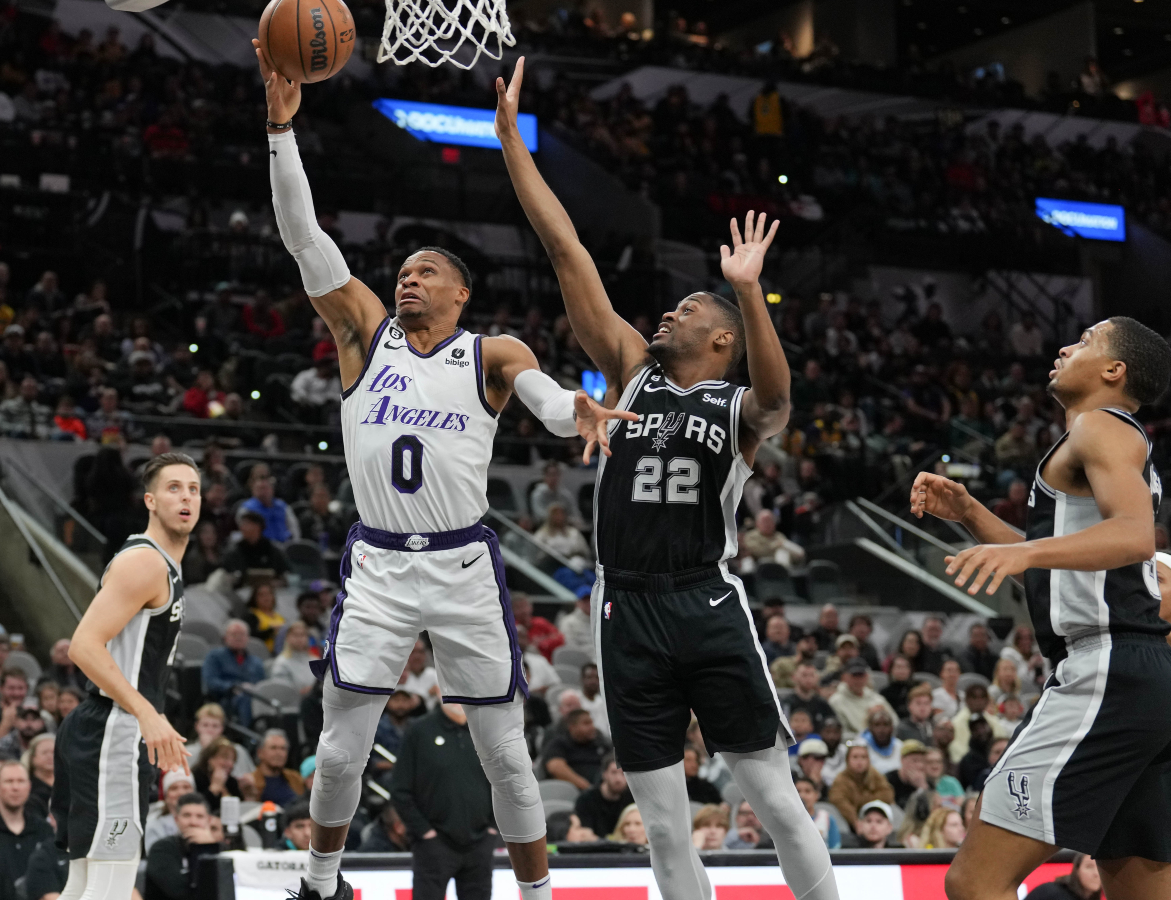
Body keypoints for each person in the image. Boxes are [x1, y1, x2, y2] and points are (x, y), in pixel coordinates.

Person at [257, 45, 640, 900]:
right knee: (340, 744)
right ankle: (321, 886)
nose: (407, 278)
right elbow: (306, 242)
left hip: (463, 562)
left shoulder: (490, 350)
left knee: (505, 751)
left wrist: (572, 409)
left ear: (460, 294)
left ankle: (537, 895)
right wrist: (282, 131)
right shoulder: (364, 332)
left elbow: (538, 392)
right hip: (382, 563)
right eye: (403, 270)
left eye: (425, 272)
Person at [498, 58, 839, 900]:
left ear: (720, 339)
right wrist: (511, 143)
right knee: (661, 822)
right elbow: (566, 249)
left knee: (776, 800)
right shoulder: (629, 369)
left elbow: (779, 395)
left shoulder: (736, 404)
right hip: (624, 605)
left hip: (707, 602)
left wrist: (748, 293)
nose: (668, 314)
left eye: (688, 311)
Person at [916, 318, 1171, 900]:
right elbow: (1079, 557)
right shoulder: (1100, 439)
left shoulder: (1101, 427)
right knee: (1136, 886)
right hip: (1140, 679)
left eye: (1085, 341)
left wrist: (1026, 552)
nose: (1064, 347)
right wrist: (973, 516)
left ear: (1115, 370)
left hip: (1107, 669)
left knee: (974, 882)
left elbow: (1134, 537)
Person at [52, 453, 199, 899]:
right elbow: (83, 645)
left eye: (192, 488)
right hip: (112, 729)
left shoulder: (164, 565)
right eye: (173, 488)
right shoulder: (145, 563)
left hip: (107, 729)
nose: (186, 496)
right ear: (150, 501)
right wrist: (147, 713)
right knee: (111, 888)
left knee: (84, 885)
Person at [390, 703, 498, 900]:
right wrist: (425, 832)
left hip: (480, 844)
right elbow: (400, 790)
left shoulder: (487, 730)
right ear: (440, 689)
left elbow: (505, 785)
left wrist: (492, 828)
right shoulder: (419, 731)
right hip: (434, 846)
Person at [0, 759, 53, 878]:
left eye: (21, 781)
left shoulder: (44, 829)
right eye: (9, 781)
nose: (15, 787)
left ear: (29, 787)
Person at [142, 795, 223, 900]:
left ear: (208, 820)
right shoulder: (162, 849)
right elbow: (181, 893)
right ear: (176, 819)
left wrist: (209, 847)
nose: (193, 822)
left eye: (200, 816)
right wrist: (206, 848)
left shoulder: (217, 847)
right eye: (186, 815)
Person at [201, 620, 266, 725]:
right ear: (225, 637)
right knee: (245, 699)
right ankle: (248, 737)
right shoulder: (214, 656)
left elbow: (263, 684)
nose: (238, 637)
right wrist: (234, 687)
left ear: (248, 638)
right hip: (225, 699)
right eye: (234, 634)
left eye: (242, 634)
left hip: (254, 698)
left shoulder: (256, 662)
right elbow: (210, 681)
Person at [540, 710, 614, 791]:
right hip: (573, 792)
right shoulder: (559, 744)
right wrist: (587, 787)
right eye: (586, 723)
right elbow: (555, 767)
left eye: (592, 722)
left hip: (605, 791)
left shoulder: (601, 743)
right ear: (572, 727)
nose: (592, 727)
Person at [828, 740, 894, 830]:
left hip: (873, 817)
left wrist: (865, 804)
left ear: (868, 760)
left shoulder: (875, 775)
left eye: (863, 757)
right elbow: (839, 801)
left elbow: (887, 794)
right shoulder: (841, 779)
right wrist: (855, 821)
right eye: (855, 757)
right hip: (849, 824)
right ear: (848, 760)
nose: (859, 761)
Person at [575, 754, 634, 839]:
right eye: (613, 772)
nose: (618, 779)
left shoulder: (632, 799)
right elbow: (586, 835)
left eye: (623, 773)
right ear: (604, 774)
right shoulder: (585, 800)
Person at [242, 728, 304, 805]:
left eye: (283, 748)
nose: (279, 753)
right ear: (260, 753)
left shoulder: (296, 778)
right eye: (273, 748)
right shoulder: (251, 781)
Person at [1028, 854, 1104, 900]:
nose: (1096, 873)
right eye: (1089, 866)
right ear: (1077, 870)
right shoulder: (1054, 893)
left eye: (1100, 868)